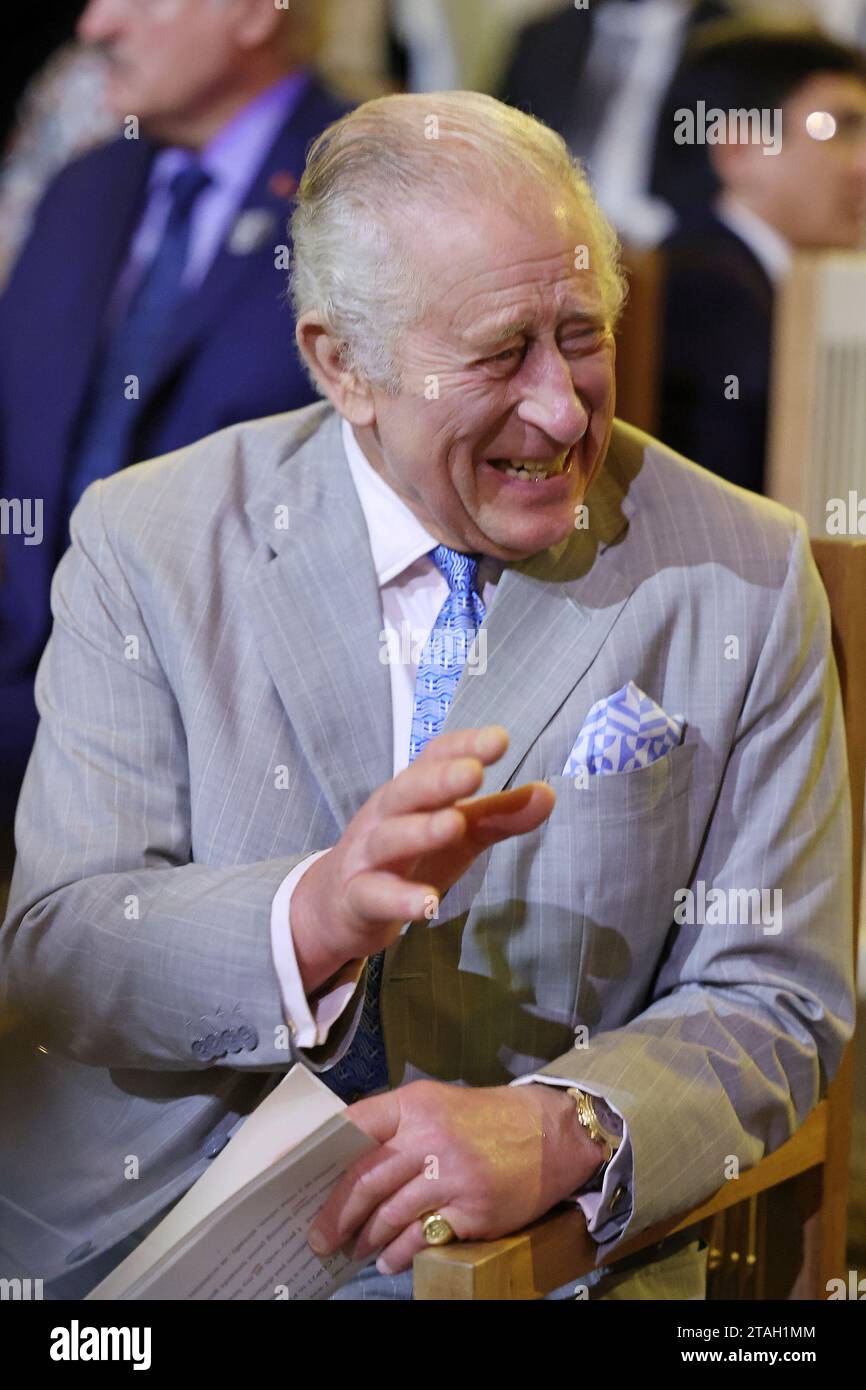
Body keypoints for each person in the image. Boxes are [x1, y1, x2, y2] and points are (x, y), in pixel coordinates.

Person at [0, 90, 853, 1302]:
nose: (562, 409)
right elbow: (62, 944)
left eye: (582, 333)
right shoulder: (151, 541)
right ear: (341, 363)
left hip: (525, 1260)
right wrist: (314, 915)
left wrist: (567, 1127)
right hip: (146, 1243)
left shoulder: (743, 573)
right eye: (500, 352)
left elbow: (775, 996)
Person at [0, 0, 351, 827]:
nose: (95, 26)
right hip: (26, 676)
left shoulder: (366, 189)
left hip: (235, 722)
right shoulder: (86, 188)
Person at [657, 21, 866, 493]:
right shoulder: (706, 289)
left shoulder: (754, 279)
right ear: (740, 150)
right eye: (841, 130)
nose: (863, 164)